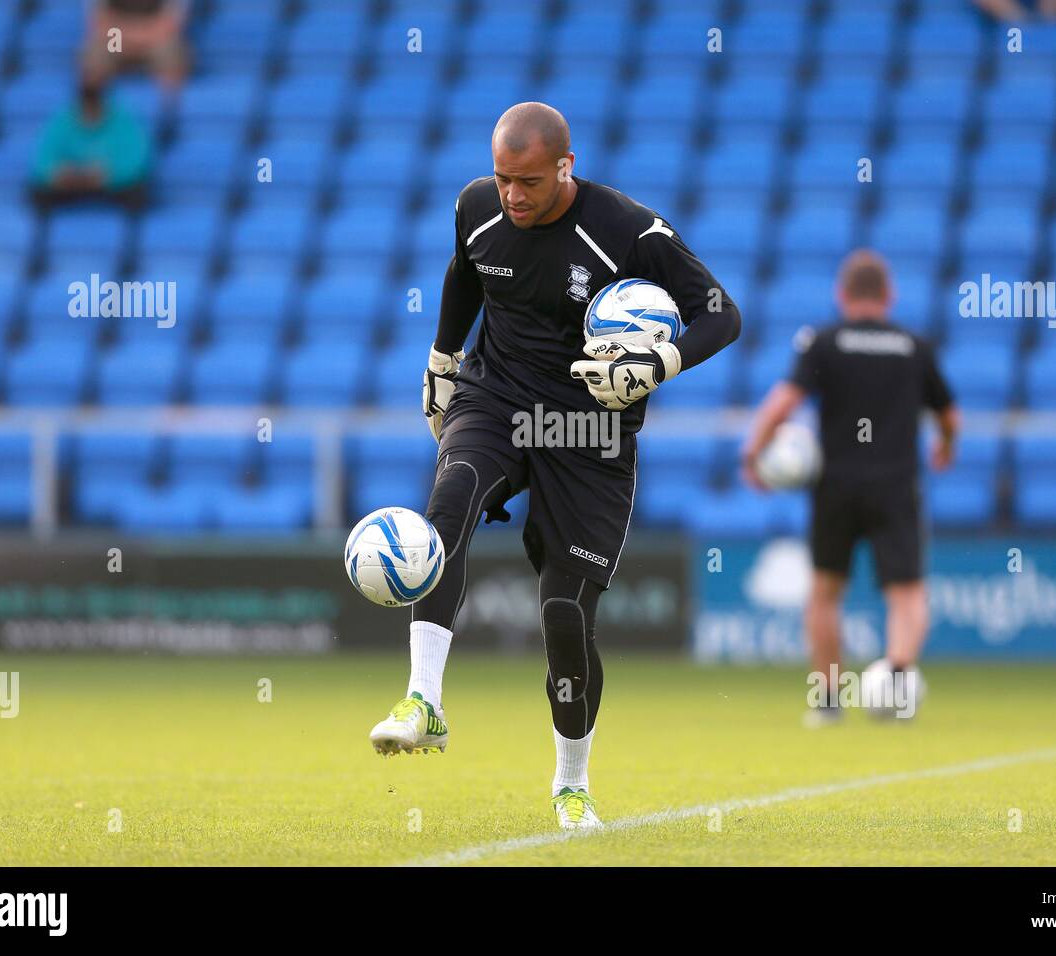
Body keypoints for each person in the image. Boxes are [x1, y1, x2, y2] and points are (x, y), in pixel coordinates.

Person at [368, 102, 741, 829]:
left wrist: (659, 362)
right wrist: (444, 360)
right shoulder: (477, 208)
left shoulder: (629, 230)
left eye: (529, 181)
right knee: (451, 503)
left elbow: (722, 314)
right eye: (504, 178)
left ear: (566, 166)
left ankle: (571, 786)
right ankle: (424, 699)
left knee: (564, 616)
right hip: (497, 398)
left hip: (590, 429)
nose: (512, 195)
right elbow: (464, 274)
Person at [741, 250, 959, 725]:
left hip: (835, 485)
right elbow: (948, 413)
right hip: (896, 486)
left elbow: (783, 402)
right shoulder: (912, 346)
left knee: (825, 591)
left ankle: (827, 702)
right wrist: (945, 445)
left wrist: (752, 453)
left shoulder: (825, 342)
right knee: (906, 592)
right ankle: (897, 682)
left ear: (842, 295)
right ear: (889, 296)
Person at [30, 76, 152, 209]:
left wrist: (109, 175)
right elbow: (43, 160)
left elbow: (137, 162)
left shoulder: (123, 121)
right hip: (70, 186)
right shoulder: (62, 120)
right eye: (86, 104)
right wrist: (61, 174)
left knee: (138, 193)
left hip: (112, 187)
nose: (89, 111)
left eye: (94, 104)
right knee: (38, 192)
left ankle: (130, 228)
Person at [82, 0, 191, 92]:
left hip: (155, 42)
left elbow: (171, 23)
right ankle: (96, 112)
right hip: (116, 40)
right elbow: (100, 22)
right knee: (95, 57)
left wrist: (135, 37)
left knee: (171, 56)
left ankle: (166, 112)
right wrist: (133, 37)